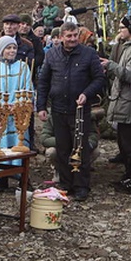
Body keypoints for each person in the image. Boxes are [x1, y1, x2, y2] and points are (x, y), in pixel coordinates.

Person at [35, 22, 106, 202]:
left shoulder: (89, 54)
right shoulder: (51, 54)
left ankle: (81, 185)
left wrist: (87, 93)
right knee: (63, 147)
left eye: (75, 35)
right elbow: (43, 81)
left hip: (80, 110)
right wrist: (41, 107)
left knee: (80, 148)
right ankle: (66, 184)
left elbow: (99, 78)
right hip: (58, 109)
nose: (73, 39)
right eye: (69, 36)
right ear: (61, 37)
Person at [102, 16, 131, 194]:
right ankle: (128, 175)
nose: (119, 30)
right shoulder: (127, 47)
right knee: (124, 142)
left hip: (129, 104)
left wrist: (111, 66)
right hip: (122, 102)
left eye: (122, 27)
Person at [0, 35, 35, 192]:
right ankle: (2, 177)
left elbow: (28, 88)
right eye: (8, 48)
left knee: (20, 144)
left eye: (14, 48)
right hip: (0, 114)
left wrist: (19, 105)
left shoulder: (23, 67)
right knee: (2, 144)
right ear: (1, 50)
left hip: (18, 113)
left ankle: (22, 177)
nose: (12, 51)